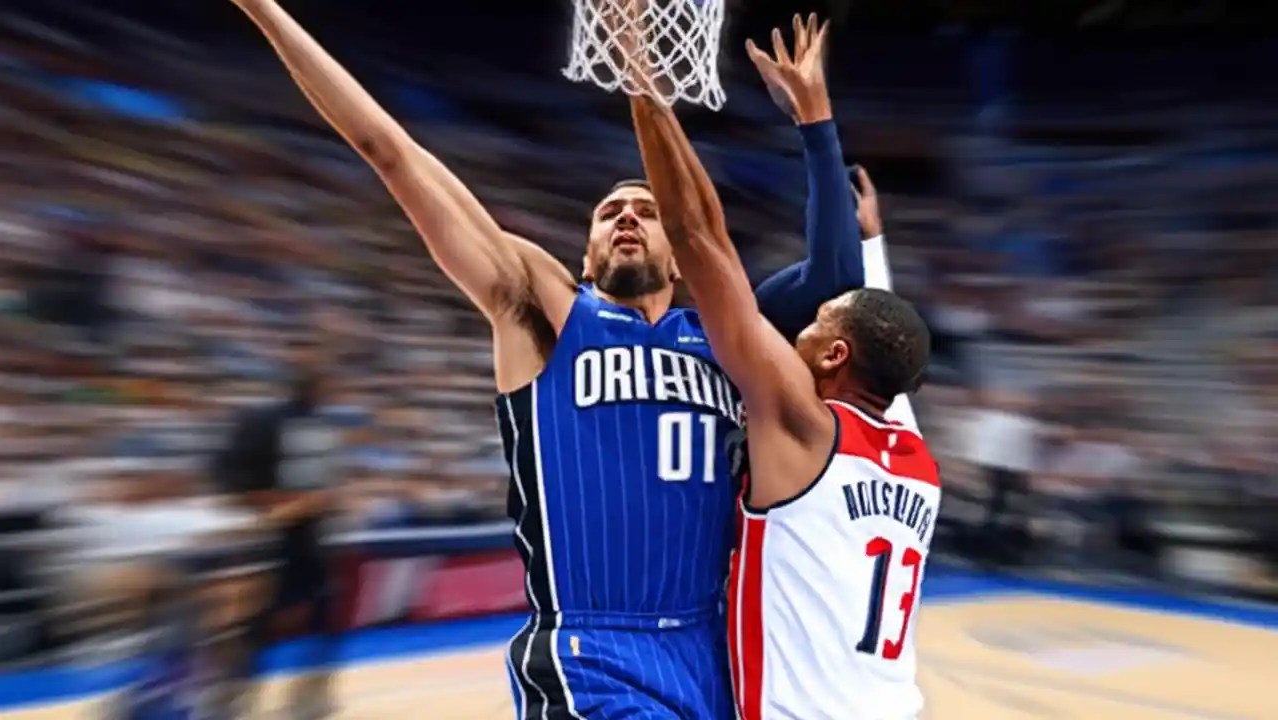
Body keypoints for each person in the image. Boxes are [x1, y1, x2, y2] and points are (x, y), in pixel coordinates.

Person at [223, 1, 868, 717]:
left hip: (710, 653)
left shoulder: (726, 334)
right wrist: (268, 13)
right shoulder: (546, 310)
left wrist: (815, 121)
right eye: (608, 212)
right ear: (585, 254)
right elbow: (390, 150)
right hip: (590, 655)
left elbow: (838, 278)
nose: (627, 215)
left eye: (648, 210)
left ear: (680, 259)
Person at [630, 15, 940, 720]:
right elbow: (881, 331)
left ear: (833, 356)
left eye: (818, 326)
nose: (801, 327)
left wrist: (643, 84)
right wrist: (819, 125)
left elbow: (699, 236)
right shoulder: (915, 455)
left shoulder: (801, 424)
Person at [211, 355, 344, 718]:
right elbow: (311, 493)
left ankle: (244, 700)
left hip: (284, 535)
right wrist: (291, 505)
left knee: (287, 621)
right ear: (317, 389)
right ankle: (251, 699)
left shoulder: (270, 421)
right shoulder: (302, 426)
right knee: (267, 623)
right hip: (281, 536)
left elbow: (226, 477)